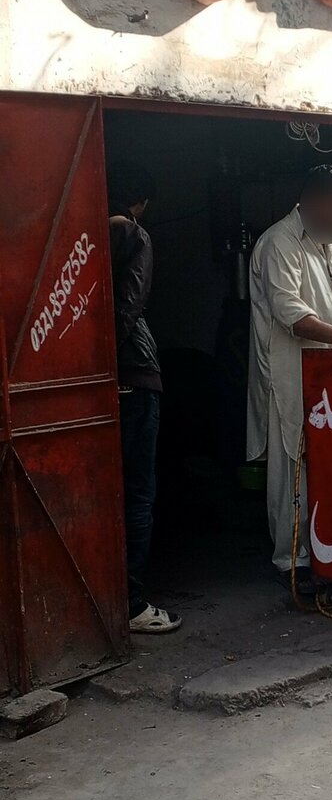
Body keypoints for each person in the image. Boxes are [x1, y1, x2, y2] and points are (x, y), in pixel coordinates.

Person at [247, 165, 332, 591]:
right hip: (291, 372)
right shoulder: (280, 241)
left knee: (331, 464)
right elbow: (289, 312)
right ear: (316, 201)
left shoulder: (329, 243)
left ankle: (327, 550)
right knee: (292, 465)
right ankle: (291, 561)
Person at [108, 162, 182, 633]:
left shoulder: (84, 235)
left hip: (101, 379)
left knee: (107, 492)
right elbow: (128, 308)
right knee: (138, 492)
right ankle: (133, 605)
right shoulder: (134, 234)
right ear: (142, 203)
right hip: (136, 374)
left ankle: (104, 602)